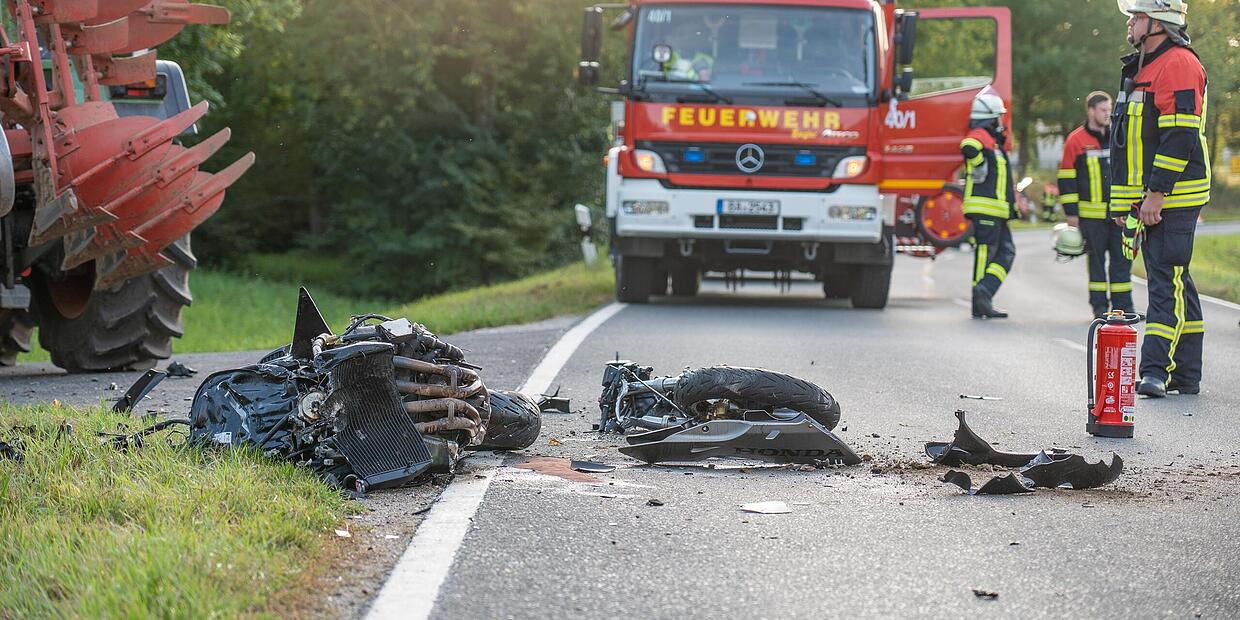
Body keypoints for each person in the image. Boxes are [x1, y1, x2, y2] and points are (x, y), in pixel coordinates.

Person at [1109, 0, 1210, 398]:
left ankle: (1154, 371)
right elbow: (1125, 146)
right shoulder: (1139, 68)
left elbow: (1180, 137)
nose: (1130, 24)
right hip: (1150, 198)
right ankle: (1187, 374)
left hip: (1174, 196)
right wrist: (1124, 205)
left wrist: (1156, 194)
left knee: (1165, 280)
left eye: (1136, 17)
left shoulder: (1178, 64)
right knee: (1178, 280)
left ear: (1157, 23)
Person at [1058, 91, 1133, 318]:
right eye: (1103, 109)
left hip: (1119, 215)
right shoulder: (1076, 140)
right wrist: (1072, 214)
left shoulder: (1118, 136)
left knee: (1122, 262)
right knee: (1097, 264)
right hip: (1091, 218)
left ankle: (1123, 309)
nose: (1107, 114)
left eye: (1109, 109)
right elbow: (1066, 179)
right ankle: (1100, 309)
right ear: (1090, 111)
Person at [960, 90, 1017, 319]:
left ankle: (984, 292)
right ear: (991, 117)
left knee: (1006, 252)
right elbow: (968, 146)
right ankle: (981, 298)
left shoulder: (993, 141)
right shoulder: (980, 134)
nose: (1001, 121)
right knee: (985, 253)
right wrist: (978, 162)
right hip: (985, 208)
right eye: (999, 117)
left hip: (996, 209)